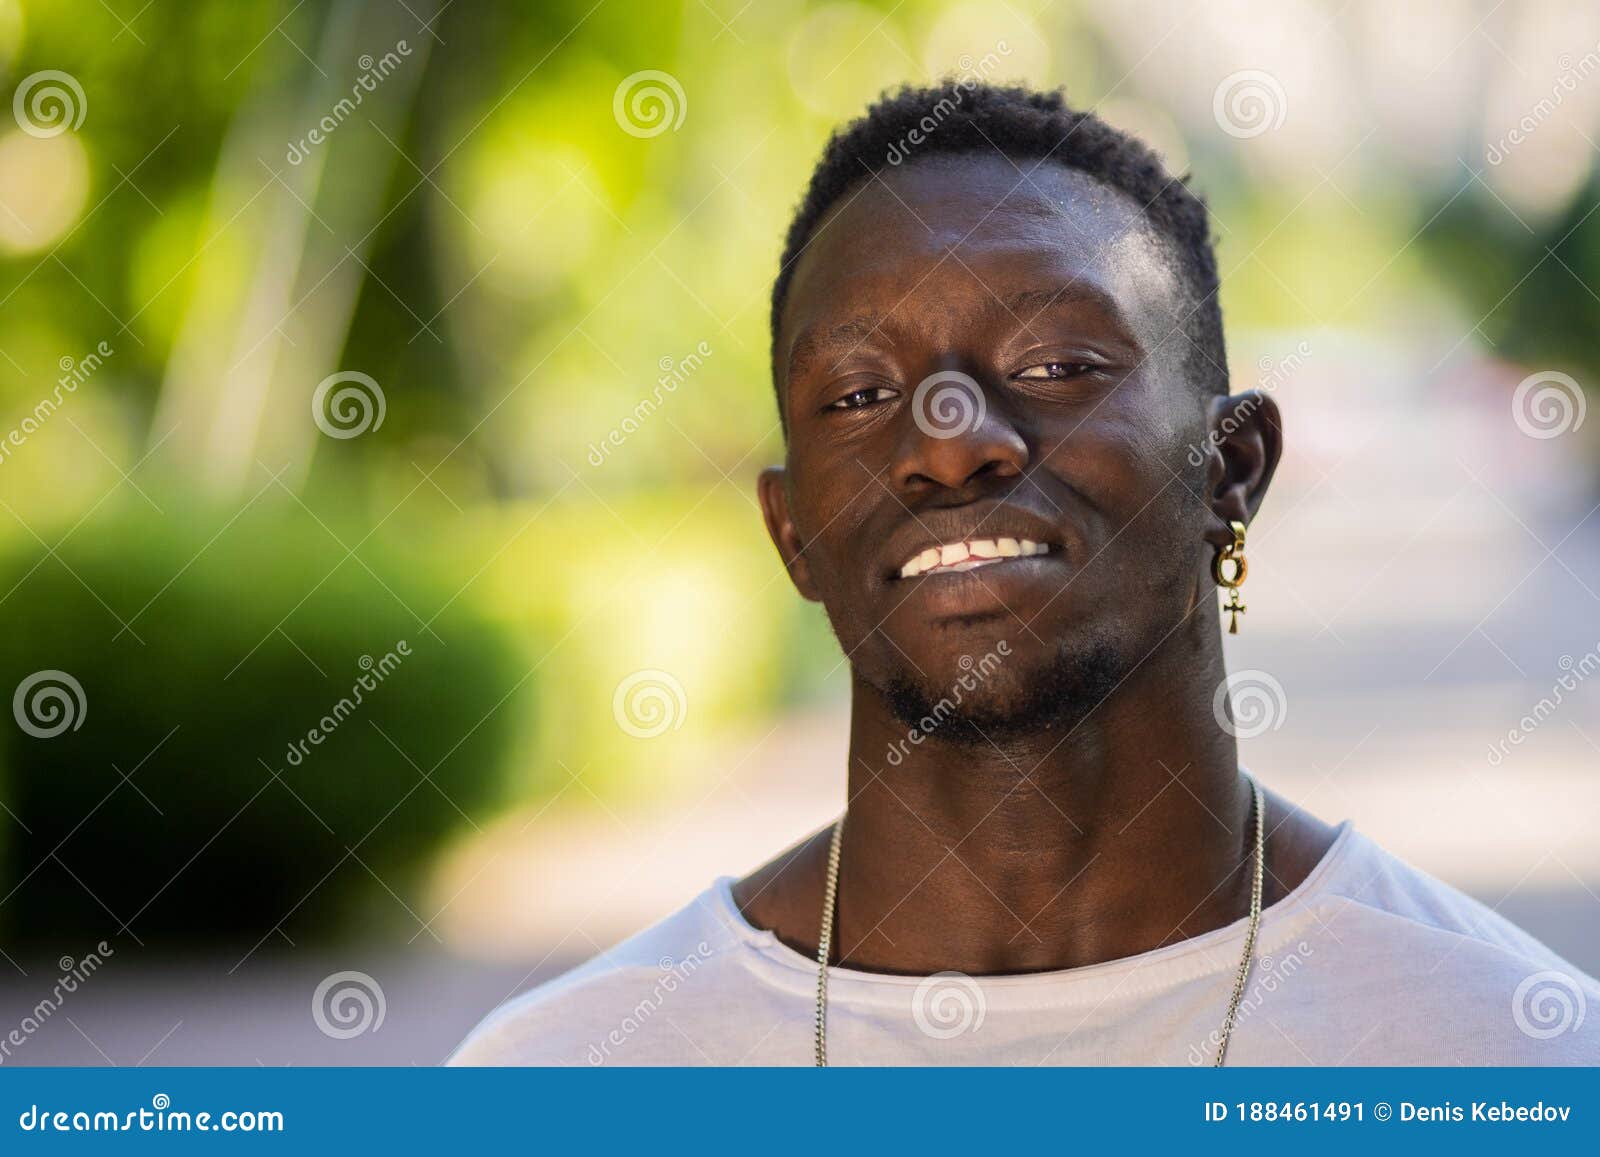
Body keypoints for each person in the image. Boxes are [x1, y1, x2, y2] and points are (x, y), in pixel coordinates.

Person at [451, 82, 1600, 1066]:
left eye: (1056, 364)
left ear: (1230, 465)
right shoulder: (563, 1074)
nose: (949, 437)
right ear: (791, 528)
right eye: (857, 395)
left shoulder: (1508, 1047)